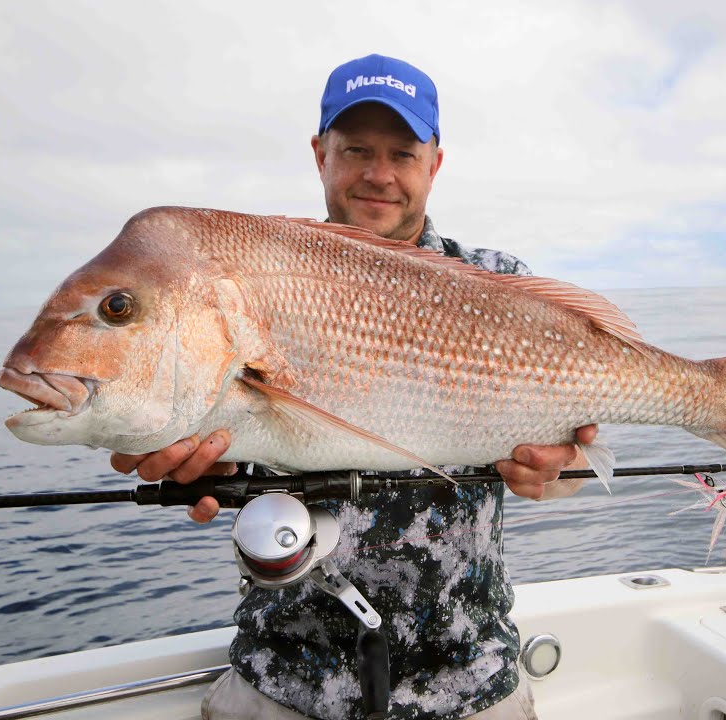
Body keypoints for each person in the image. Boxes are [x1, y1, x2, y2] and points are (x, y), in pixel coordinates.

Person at [110, 53, 599, 720]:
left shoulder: (499, 284)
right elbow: (220, 446)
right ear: (320, 154)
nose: (379, 174)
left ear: (435, 164)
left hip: (469, 679)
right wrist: (198, 473)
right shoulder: (256, 275)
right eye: (357, 149)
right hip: (284, 681)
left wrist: (559, 469)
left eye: (402, 152)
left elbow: (578, 462)